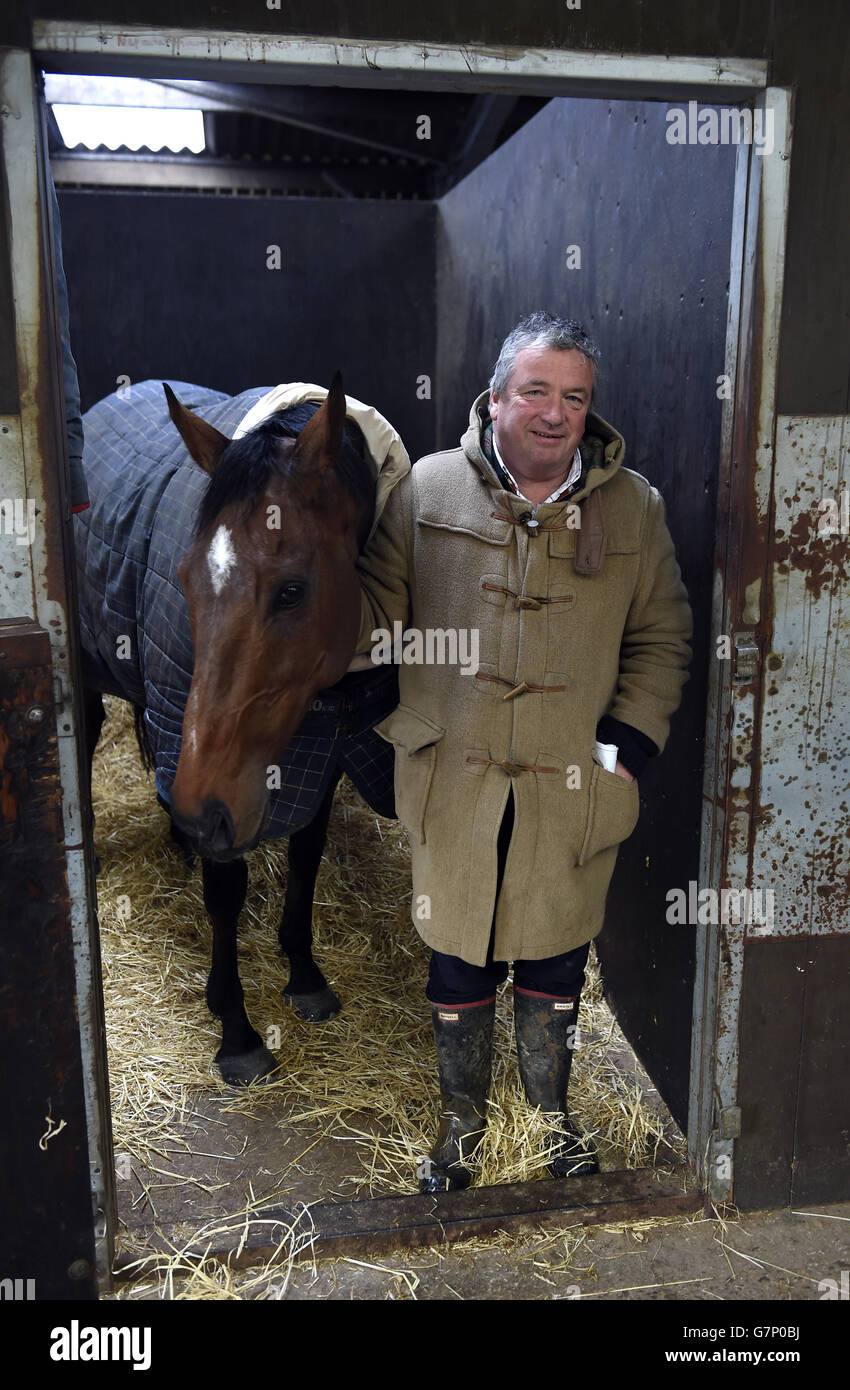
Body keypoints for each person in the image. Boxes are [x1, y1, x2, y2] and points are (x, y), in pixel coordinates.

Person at [355, 310, 693, 1191]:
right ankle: (462, 1130)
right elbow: (378, 618)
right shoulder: (427, 492)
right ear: (497, 398)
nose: (555, 413)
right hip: (453, 776)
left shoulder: (636, 508)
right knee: (458, 951)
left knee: (556, 954)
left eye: (574, 398)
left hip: (571, 784)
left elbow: (663, 638)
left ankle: (550, 1123)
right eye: (536, 392)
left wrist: (624, 748)